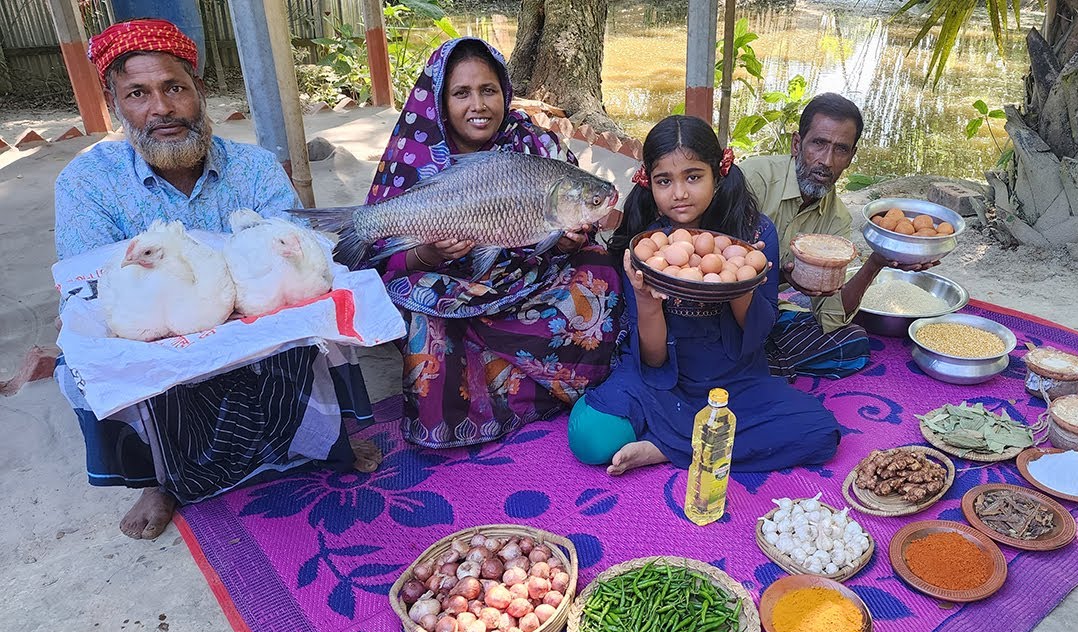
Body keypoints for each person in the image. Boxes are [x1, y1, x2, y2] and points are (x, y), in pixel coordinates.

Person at [53, 19, 379, 540]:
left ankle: (322, 437)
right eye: (138, 93)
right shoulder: (87, 183)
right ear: (116, 105)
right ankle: (155, 480)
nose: (160, 108)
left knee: (324, 298)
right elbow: (92, 288)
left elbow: (298, 253)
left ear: (198, 93)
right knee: (80, 358)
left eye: (174, 87)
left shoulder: (253, 167)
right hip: (158, 332)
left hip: (254, 317)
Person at [366, 38, 622, 449]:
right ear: (438, 99)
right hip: (450, 285)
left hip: (526, 276)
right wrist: (428, 252)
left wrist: (567, 244)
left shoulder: (536, 145)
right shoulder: (413, 155)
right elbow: (379, 262)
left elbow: (573, 219)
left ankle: (535, 384)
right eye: (461, 93)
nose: (478, 105)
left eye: (489, 91)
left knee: (601, 269)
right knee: (423, 310)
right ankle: (486, 395)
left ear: (504, 92)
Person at [568, 115, 839, 476]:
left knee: (819, 432)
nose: (679, 193)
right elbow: (652, 358)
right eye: (665, 181)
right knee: (589, 437)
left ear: (718, 174)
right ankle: (706, 440)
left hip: (734, 381)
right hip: (664, 382)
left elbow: (758, 335)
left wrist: (741, 283)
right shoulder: (647, 245)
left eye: (693, 177)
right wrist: (647, 301)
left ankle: (667, 447)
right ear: (649, 183)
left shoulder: (755, 235)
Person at [739, 93, 936, 379]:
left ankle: (751, 363)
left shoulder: (836, 219)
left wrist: (876, 262)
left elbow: (830, 318)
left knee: (852, 344)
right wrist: (783, 277)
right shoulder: (754, 180)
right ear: (797, 144)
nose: (827, 161)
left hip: (763, 316)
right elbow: (716, 263)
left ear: (851, 156)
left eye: (840, 149)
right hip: (717, 308)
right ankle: (752, 363)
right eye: (818, 144)